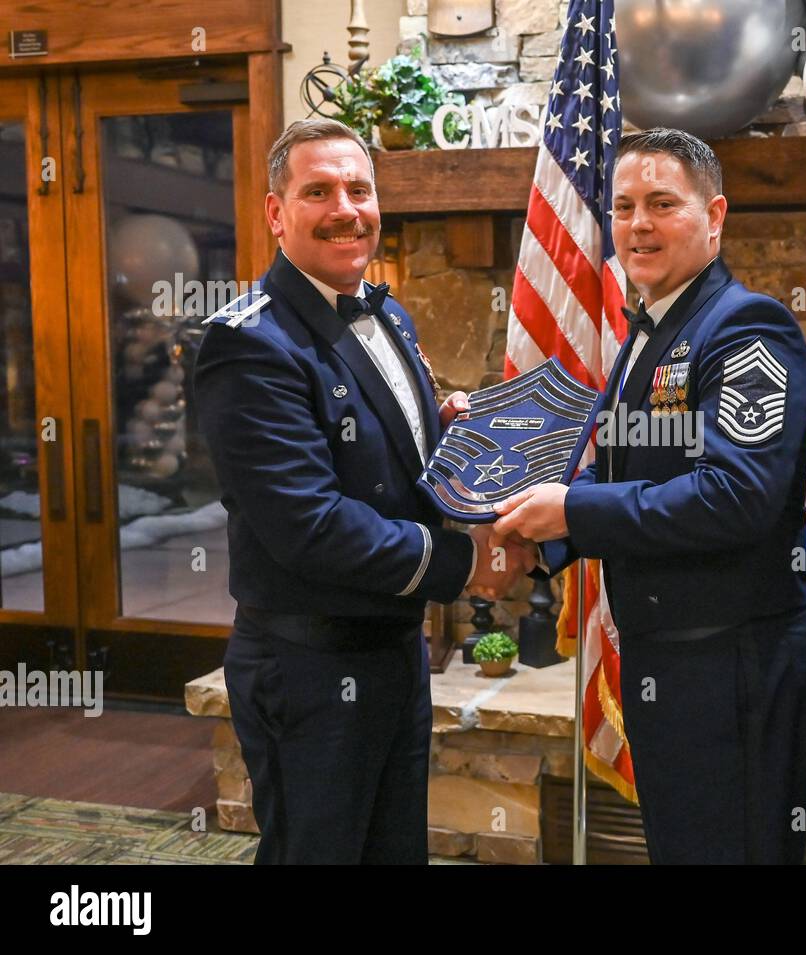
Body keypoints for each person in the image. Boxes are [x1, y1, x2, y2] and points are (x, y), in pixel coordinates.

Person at [194, 118, 534, 864]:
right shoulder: (248, 343)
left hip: (390, 649)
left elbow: (391, 462)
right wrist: (462, 560)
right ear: (276, 213)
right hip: (310, 664)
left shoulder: (390, 312)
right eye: (318, 191)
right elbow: (310, 524)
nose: (345, 208)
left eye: (359, 189)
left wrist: (461, 444)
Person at [493, 128, 806, 864]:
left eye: (662, 203)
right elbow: (626, 476)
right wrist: (540, 530)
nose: (638, 224)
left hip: (733, 668)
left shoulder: (745, 326)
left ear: (715, 216)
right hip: (673, 664)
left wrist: (573, 511)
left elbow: (736, 496)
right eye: (623, 206)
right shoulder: (653, 326)